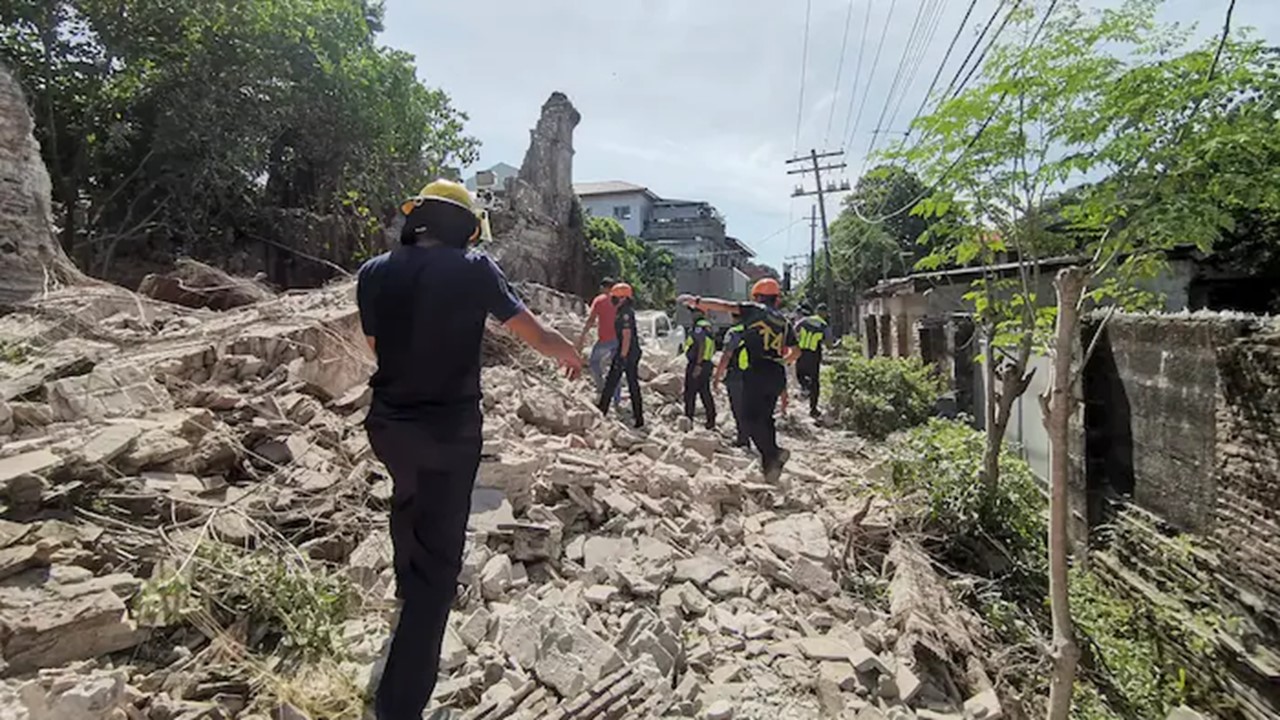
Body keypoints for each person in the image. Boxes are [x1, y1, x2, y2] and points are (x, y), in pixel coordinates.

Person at [357, 179, 582, 720]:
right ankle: (400, 705)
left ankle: (407, 586)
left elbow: (373, 346)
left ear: (417, 220)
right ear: (467, 227)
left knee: (408, 499)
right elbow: (531, 332)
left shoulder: (373, 272)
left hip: (387, 425)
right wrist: (570, 352)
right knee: (440, 566)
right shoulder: (474, 268)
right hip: (447, 432)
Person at [680, 278, 799, 482]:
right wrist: (781, 361)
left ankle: (774, 453)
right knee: (765, 419)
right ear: (776, 299)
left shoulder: (755, 309)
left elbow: (724, 305)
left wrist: (697, 301)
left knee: (748, 419)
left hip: (757, 371)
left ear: (758, 296)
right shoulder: (784, 321)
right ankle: (770, 468)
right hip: (776, 372)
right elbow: (796, 352)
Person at [598, 282, 644, 428]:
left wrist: (622, 356)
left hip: (628, 352)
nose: (613, 299)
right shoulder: (624, 310)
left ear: (623, 298)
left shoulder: (625, 313)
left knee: (616, 381)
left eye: (615, 297)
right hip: (629, 351)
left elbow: (627, 335)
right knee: (628, 383)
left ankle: (601, 412)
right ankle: (638, 418)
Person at [576, 278, 621, 406]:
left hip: (605, 340)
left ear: (604, 287)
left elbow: (591, 320)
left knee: (594, 362)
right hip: (618, 340)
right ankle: (617, 399)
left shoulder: (599, 300)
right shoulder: (619, 301)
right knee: (615, 368)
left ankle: (601, 387)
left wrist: (582, 336)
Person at [714, 321, 751, 448]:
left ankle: (743, 439)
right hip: (756, 375)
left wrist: (717, 377)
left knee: (739, 408)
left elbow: (726, 356)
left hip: (737, 375)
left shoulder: (734, 332)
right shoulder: (758, 330)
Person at [682, 310, 717, 429]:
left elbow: (701, 345)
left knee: (690, 393)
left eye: (694, 312)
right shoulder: (708, 327)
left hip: (697, 364)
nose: (692, 315)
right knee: (704, 392)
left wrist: (698, 365)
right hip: (706, 364)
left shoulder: (699, 327)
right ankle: (711, 420)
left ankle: (688, 419)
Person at [795, 303, 830, 418]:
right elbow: (829, 343)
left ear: (816, 311)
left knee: (800, 375)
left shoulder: (805, 320)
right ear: (824, 314)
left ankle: (805, 387)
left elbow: (795, 330)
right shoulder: (824, 325)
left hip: (801, 353)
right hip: (814, 356)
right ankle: (813, 409)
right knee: (815, 382)